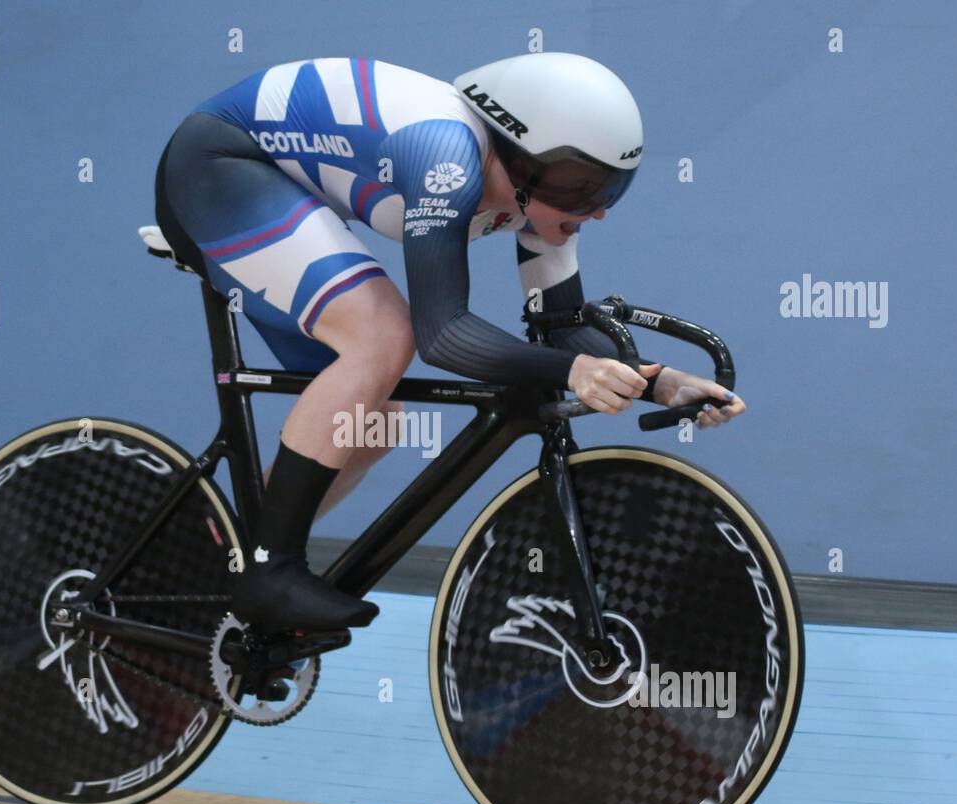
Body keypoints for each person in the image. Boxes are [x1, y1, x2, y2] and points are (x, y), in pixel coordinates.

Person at [153, 52, 746, 633]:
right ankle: (269, 572)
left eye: (609, 190)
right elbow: (442, 334)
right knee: (384, 335)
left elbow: (563, 329)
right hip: (219, 164)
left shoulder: (537, 203)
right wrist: (572, 372)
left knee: (374, 423)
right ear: (517, 156)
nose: (594, 211)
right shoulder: (447, 154)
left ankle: (218, 552)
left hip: (282, 184)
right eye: (577, 187)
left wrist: (660, 383)